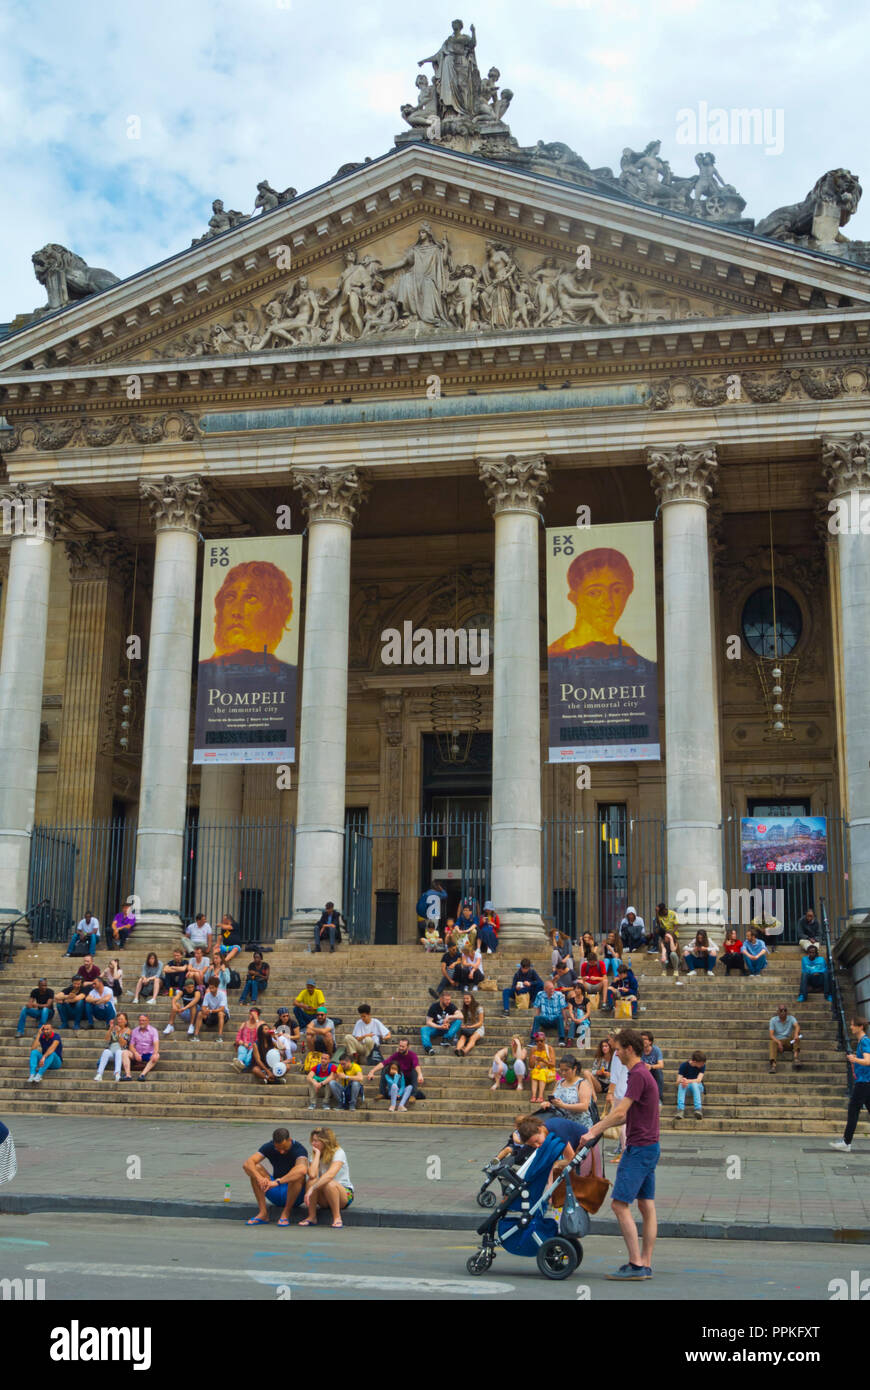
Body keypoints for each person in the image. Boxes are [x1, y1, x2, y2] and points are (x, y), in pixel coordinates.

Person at [573, 1027, 661, 1280]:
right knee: (646, 1205)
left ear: (629, 1049)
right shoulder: (643, 1073)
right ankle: (645, 1262)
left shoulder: (637, 1075)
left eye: (618, 1048)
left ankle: (636, 1265)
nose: (616, 1053)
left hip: (639, 1148)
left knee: (619, 1204)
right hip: (650, 1146)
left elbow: (621, 1113)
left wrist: (594, 1130)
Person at [243, 1127, 308, 1226]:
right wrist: (259, 1178)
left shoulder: (299, 1149)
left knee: (298, 1174)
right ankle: (263, 1214)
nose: (281, 1151)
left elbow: (302, 1169)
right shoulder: (269, 1146)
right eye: (278, 1148)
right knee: (254, 1168)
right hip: (274, 1189)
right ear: (274, 1143)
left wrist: (278, 1181)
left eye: (284, 1148)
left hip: (294, 1195)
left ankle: (285, 1214)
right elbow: (247, 1163)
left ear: (289, 1140)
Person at [299, 1128, 354, 1228]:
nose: (313, 1143)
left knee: (329, 1183)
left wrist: (312, 1188)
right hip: (324, 1193)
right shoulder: (316, 1153)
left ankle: (337, 1218)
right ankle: (312, 1217)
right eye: (313, 1140)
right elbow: (312, 1174)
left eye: (316, 1141)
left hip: (343, 1193)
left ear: (325, 1142)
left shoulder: (338, 1152)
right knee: (311, 1181)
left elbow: (330, 1175)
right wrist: (317, 1155)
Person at [831, 1018, 870, 1152]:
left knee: (853, 1110)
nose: (851, 1027)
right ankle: (846, 1142)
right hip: (865, 1082)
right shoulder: (862, 1042)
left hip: (864, 1083)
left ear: (860, 1027)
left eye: (853, 1025)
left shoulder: (864, 1041)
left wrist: (854, 1059)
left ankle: (846, 1142)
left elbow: (868, 1061)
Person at [367, 1038, 423, 1106]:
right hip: (398, 1078)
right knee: (385, 1068)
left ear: (408, 1047)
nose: (400, 1048)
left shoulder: (412, 1055)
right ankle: (382, 1093)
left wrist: (420, 1074)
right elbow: (384, 1063)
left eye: (403, 1046)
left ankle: (413, 1095)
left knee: (414, 1071)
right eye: (400, 1046)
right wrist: (372, 1071)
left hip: (408, 1079)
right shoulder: (396, 1055)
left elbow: (416, 1065)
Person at [94, 1012, 132, 1082]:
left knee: (118, 1052)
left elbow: (123, 1043)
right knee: (106, 1051)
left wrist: (118, 1033)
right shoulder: (114, 1029)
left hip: (122, 1052)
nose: (119, 1021)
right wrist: (111, 1029)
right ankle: (99, 1074)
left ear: (126, 1021)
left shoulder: (128, 1030)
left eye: (121, 1019)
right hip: (112, 1051)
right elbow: (107, 1039)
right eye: (118, 1019)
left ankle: (117, 1074)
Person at [531, 979, 568, 1043]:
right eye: (550, 989)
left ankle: (561, 1039)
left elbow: (563, 1009)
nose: (552, 990)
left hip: (556, 1021)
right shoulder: (540, 994)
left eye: (553, 988)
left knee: (560, 1017)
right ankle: (533, 1040)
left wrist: (566, 1023)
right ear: (545, 989)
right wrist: (533, 1024)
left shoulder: (559, 995)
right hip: (545, 1019)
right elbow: (538, 1009)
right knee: (537, 1018)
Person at [194, 977, 229, 1042]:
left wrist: (210, 1011)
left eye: (213, 988)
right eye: (210, 988)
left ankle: (220, 1037)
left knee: (220, 1013)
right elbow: (203, 1007)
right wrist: (205, 1010)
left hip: (222, 1015)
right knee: (200, 1013)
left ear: (217, 987)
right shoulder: (207, 995)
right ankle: (196, 1036)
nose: (211, 990)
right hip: (211, 1015)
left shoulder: (222, 994)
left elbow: (222, 1008)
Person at [769, 1004, 801, 1073]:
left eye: (785, 1010)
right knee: (772, 1042)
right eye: (781, 1010)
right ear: (778, 1012)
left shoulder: (791, 1018)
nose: (783, 1012)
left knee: (796, 1035)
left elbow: (797, 1026)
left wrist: (796, 1034)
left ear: (787, 1012)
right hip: (779, 1041)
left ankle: (796, 1058)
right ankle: (773, 1066)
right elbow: (771, 1035)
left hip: (789, 1042)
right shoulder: (773, 1020)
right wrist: (779, 1042)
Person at [675, 1051, 707, 1119]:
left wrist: (687, 1081)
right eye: (701, 1063)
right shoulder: (684, 1065)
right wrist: (683, 1081)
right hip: (687, 1088)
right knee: (681, 1085)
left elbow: (699, 1080)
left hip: (698, 1087)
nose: (703, 1064)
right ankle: (680, 1110)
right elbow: (677, 1082)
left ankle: (698, 1109)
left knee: (694, 1084)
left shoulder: (703, 1066)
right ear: (695, 1062)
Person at [129, 1013, 160, 1081]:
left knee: (157, 1055)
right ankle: (128, 1075)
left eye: (143, 1020)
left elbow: (156, 1044)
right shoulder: (134, 1031)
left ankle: (142, 1075)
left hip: (148, 1054)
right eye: (140, 1020)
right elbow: (131, 1046)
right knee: (125, 1053)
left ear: (148, 1021)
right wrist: (135, 1053)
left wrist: (155, 1053)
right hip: (137, 1054)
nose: (141, 1022)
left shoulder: (153, 1031)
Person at [529, 1033, 557, 1104]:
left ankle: (540, 1096)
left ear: (544, 1040)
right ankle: (534, 1096)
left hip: (549, 1071)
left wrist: (543, 1060)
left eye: (541, 1041)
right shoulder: (533, 1049)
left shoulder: (549, 1049)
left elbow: (553, 1064)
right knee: (535, 1071)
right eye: (537, 1041)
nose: (539, 1043)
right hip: (537, 1070)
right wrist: (533, 1059)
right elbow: (531, 1066)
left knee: (542, 1072)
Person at [232, 1008, 262, 1072]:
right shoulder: (244, 1024)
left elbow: (261, 1035)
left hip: (254, 1046)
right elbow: (237, 1038)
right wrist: (242, 1043)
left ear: (257, 1016)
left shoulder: (259, 1024)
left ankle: (241, 1067)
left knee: (248, 1058)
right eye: (251, 1014)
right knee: (242, 1052)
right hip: (244, 1045)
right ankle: (239, 1063)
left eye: (254, 1014)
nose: (252, 1016)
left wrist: (257, 1020)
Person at [455, 992, 485, 1056]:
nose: (466, 1000)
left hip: (478, 1028)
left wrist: (470, 1027)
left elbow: (480, 1023)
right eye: (464, 999)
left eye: (467, 998)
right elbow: (462, 1020)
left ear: (472, 999)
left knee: (472, 1038)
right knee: (463, 1037)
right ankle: (457, 1050)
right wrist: (464, 1026)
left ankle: (465, 1051)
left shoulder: (479, 1008)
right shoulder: (464, 1009)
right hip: (468, 1028)